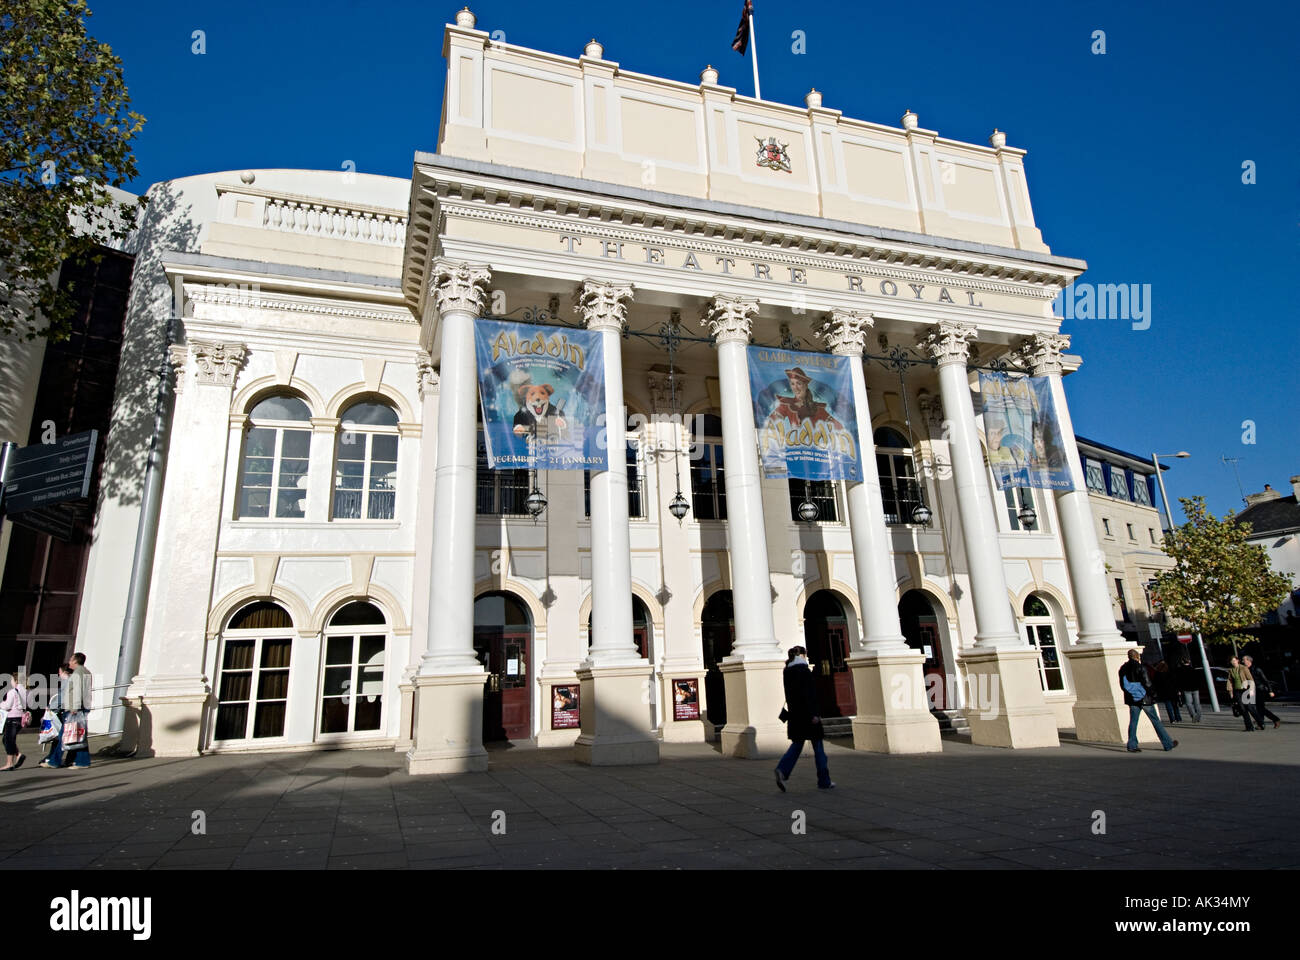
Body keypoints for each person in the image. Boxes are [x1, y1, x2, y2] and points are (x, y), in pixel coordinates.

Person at [774, 645, 833, 790]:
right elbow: (810, 695)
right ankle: (824, 781)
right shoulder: (804, 671)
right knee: (818, 748)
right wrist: (814, 714)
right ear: (802, 655)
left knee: (797, 745)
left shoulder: (787, 671)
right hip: (809, 716)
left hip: (795, 715)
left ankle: (782, 769)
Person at [1118, 649, 1177, 753]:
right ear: (1137, 656)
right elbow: (1147, 683)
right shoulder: (1141, 667)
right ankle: (1168, 743)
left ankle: (1132, 745)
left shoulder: (1123, 669)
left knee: (1133, 722)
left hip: (1133, 699)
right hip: (1145, 698)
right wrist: (1153, 695)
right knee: (1155, 721)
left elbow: (1123, 685)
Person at [63, 652, 93, 768]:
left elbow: (77, 690)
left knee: (78, 734)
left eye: (71, 659)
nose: (69, 662)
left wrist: (74, 707)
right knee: (78, 734)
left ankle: (82, 761)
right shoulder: (86, 671)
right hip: (82, 706)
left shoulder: (78, 672)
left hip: (76, 708)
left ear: (75, 661)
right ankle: (71, 759)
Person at [41, 663, 72, 768]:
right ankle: (57, 758)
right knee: (62, 736)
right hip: (66, 710)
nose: (59, 674)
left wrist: (51, 707)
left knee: (60, 737)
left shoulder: (66, 682)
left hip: (65, 711)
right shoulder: (70, 681)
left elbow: (61, 698)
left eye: (60, 672)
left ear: (64, 672)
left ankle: (53, 759)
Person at [1243, 656, 1280, 729]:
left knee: (1260, 708)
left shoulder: (1257, 669)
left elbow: (1265, 680)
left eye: (1243, 660)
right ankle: (1262, 723)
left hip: (1260, 690)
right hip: (1251, 690)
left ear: (1248, 661)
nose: (1242, 661)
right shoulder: (1245, 670)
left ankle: (1274, 719)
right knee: (1258, 708)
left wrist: (1270, 691)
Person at [1227, 656, 1262, 732]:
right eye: (1231, 661)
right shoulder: (1231, 670)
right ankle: (1249, 727)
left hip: (1246, 690)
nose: (1233, 662)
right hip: (1237, 691)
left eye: (1234, 660)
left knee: (1250, 708)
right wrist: (1231, 692)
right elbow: (1230, 681)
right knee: (1243, 709)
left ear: (1237, 661)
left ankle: (1260, 722)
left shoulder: (1243, 668)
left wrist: (1251, 690)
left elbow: (1250, 679)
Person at [1, 671, 27, 771]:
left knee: (9, 740)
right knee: (7, 739)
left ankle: (9, 763)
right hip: (20, 718)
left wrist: (1, 704)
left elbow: (7, 706)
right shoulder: (25, 691)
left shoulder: (12, 691)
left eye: (11, 680)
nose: (10, 682)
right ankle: (18, 755)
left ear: (16, 681)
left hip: (12, 718)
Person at [1176, 656, 1202, 723]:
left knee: (1189, 703)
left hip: (1186, 689)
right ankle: (1198, 716)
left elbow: (1179, 681)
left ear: (1182, 662)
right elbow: (1199, 679)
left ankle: (1193, 715)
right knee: (1197, 704)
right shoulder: (1193, 669)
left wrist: (1179, 690)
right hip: (1195, 688)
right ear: (1189, 661)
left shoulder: (1180, 670)